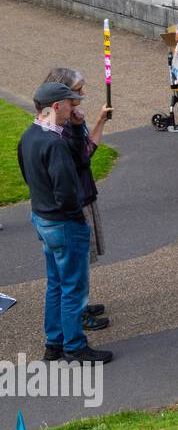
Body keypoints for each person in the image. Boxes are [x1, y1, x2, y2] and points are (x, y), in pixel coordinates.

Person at [18, 82, 112, 364]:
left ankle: (54, 343)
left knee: (56, 284)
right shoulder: (54, 143)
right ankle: (75, 346)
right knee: (73, 287)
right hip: (64, 223)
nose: (75, 108)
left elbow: (27, 176)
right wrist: (77, 221)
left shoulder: (30, 136)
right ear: (56, 106)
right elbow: (67, 191)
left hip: (43, 218)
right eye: (71, 104)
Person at [42, 68, 112, 333]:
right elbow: (83, 156)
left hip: (77, 199)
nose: (82, 94)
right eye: (77, 91)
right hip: (73, 205)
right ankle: (76, 320)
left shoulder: (61, 124)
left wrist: (94, 122)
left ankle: (77, 311)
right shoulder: (59, 130)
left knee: (71, 269)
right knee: (72, 270)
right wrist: (88, 124)